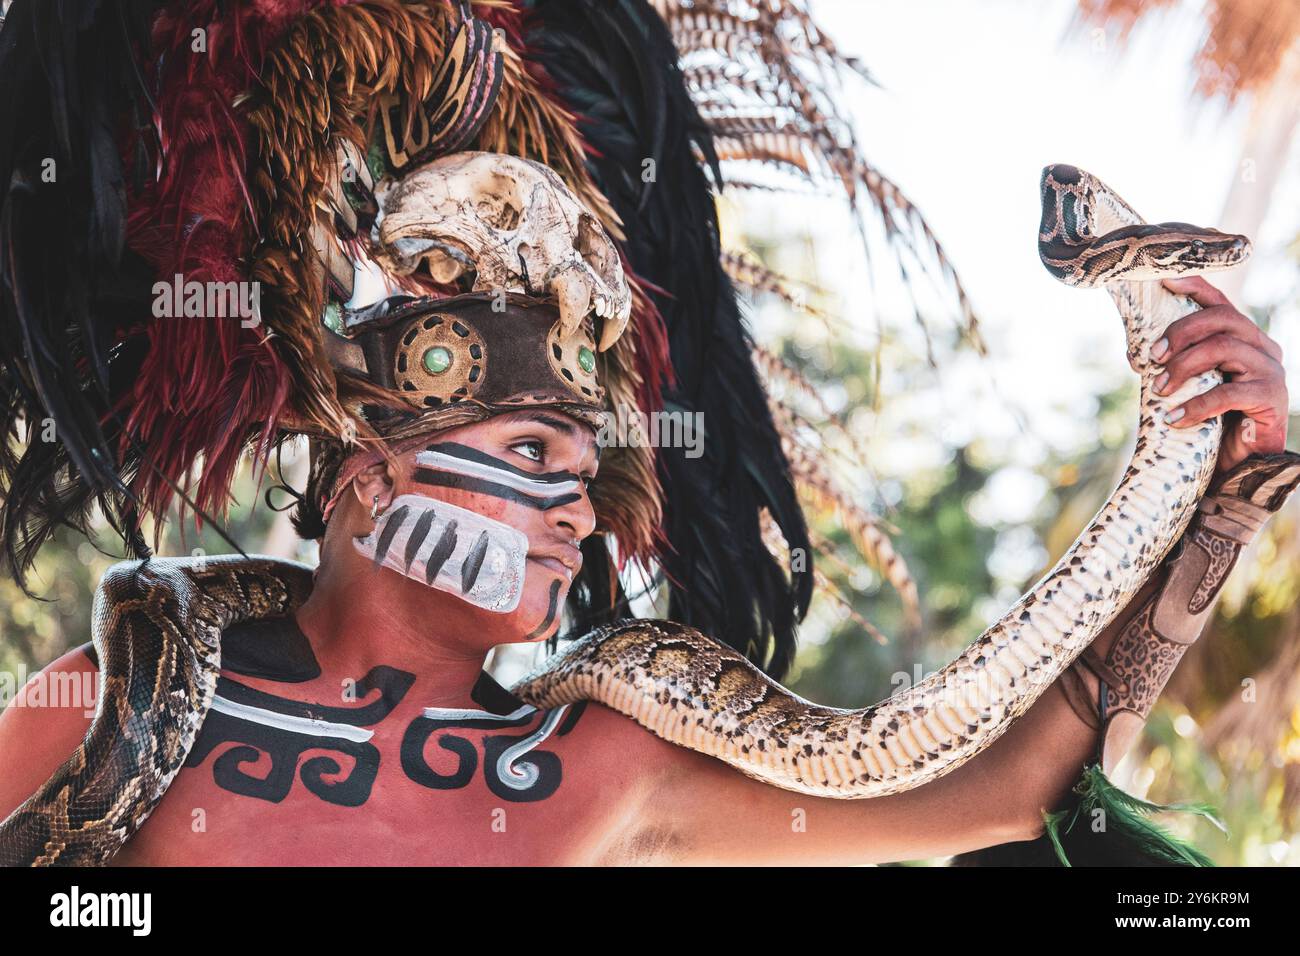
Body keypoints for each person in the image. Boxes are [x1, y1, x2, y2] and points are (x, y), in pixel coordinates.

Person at [0, 0, 1295, 866]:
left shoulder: (598, 762)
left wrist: (1203, 513)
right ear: (362, 470)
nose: (578, 512)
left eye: (578, 471)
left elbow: (993, 791)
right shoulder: (111, 693)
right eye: (528, 461)